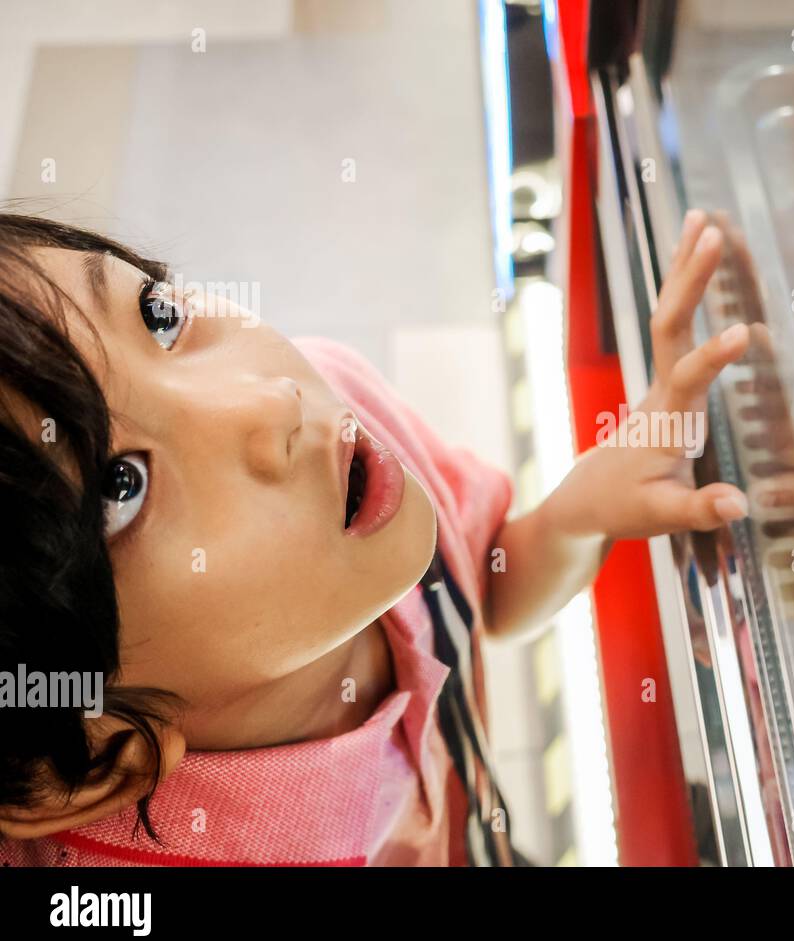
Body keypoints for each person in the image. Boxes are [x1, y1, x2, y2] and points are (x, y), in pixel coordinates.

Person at [0, 208, 749, 865]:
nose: (268, 402)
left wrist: (580, 514)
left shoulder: (351, 452)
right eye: (121, 487)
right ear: (97, 763)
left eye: (159, 317)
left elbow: (481, 588)